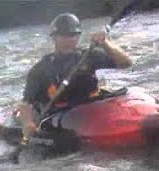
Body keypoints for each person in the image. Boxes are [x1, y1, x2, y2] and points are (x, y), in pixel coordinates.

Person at [17, 13, 134, 141]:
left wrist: (105, 43)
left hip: (92, 106)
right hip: (62, 114)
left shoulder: (89, 55)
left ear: (78, 37)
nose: (69, 40)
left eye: (73, 35)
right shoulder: (40, 70)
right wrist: (27, 123)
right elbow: (26, 103)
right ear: (54, 37)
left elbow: (126, 63)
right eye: (64, 36)